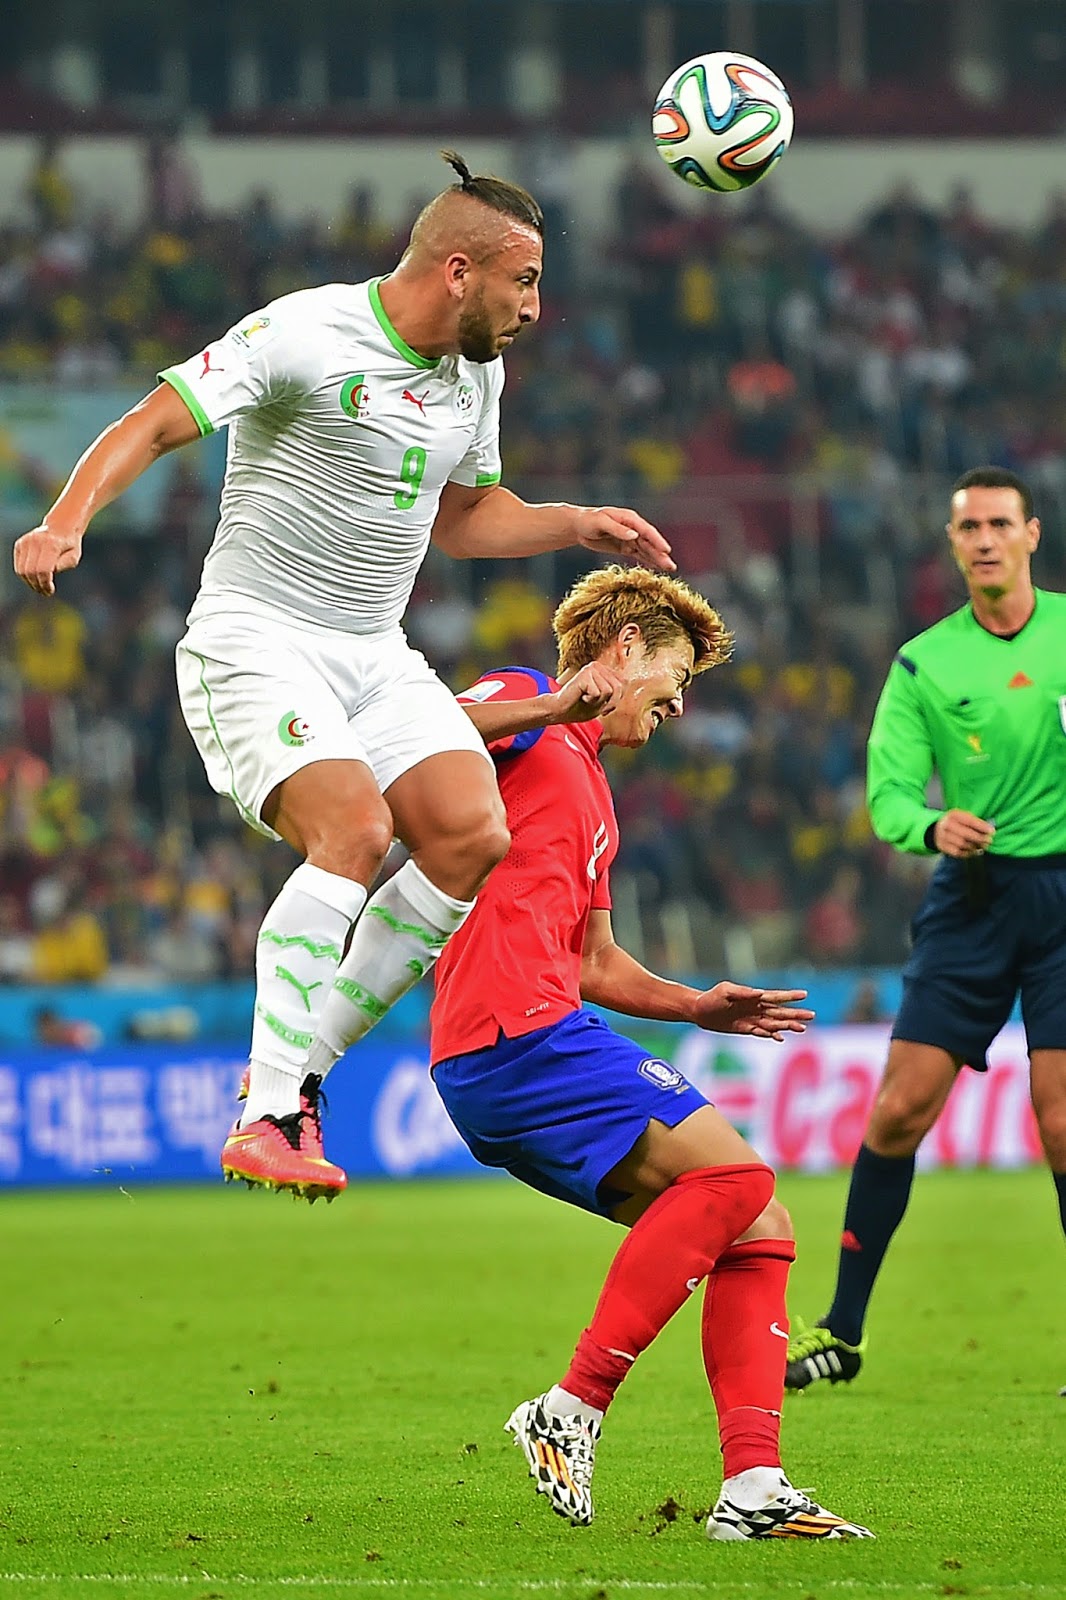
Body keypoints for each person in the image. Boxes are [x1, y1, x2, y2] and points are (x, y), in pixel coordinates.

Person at [12, 152, 673, 1204]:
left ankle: (300, 1074)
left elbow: (461, 518)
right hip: (257, 638)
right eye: (524, 283)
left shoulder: (477, 374)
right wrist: (64, 520)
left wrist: (572, 521)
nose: (535, 309)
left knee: (470, 831)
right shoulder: (306, 333)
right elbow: (154, 421)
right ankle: (266, 1110)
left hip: (373, 651)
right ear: (459, 271)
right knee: (356, 831)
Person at [423, 566, 873, 1540]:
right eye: (670, 677)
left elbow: (593, 960)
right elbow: (421, 733)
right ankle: (570, 1407)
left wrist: (693, 1003)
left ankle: (753, 1490)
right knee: (737, 1177)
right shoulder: (520, 706)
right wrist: (552, 698)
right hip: (512, 1036)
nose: (674, 704)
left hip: (534, 1033)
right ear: (621, 650)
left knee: (757, 1219)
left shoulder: (594, 794)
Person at [786, 466, 1066, 1392]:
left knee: (1062, 1124)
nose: (984, 539)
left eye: (999, 523)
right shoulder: (923, 662)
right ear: (953, 545)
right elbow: (890, 795)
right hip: (973, 900)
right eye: (967, 528)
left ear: (1031, 534)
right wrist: (929, 826)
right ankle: (844, 1331)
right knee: (901, 1108)